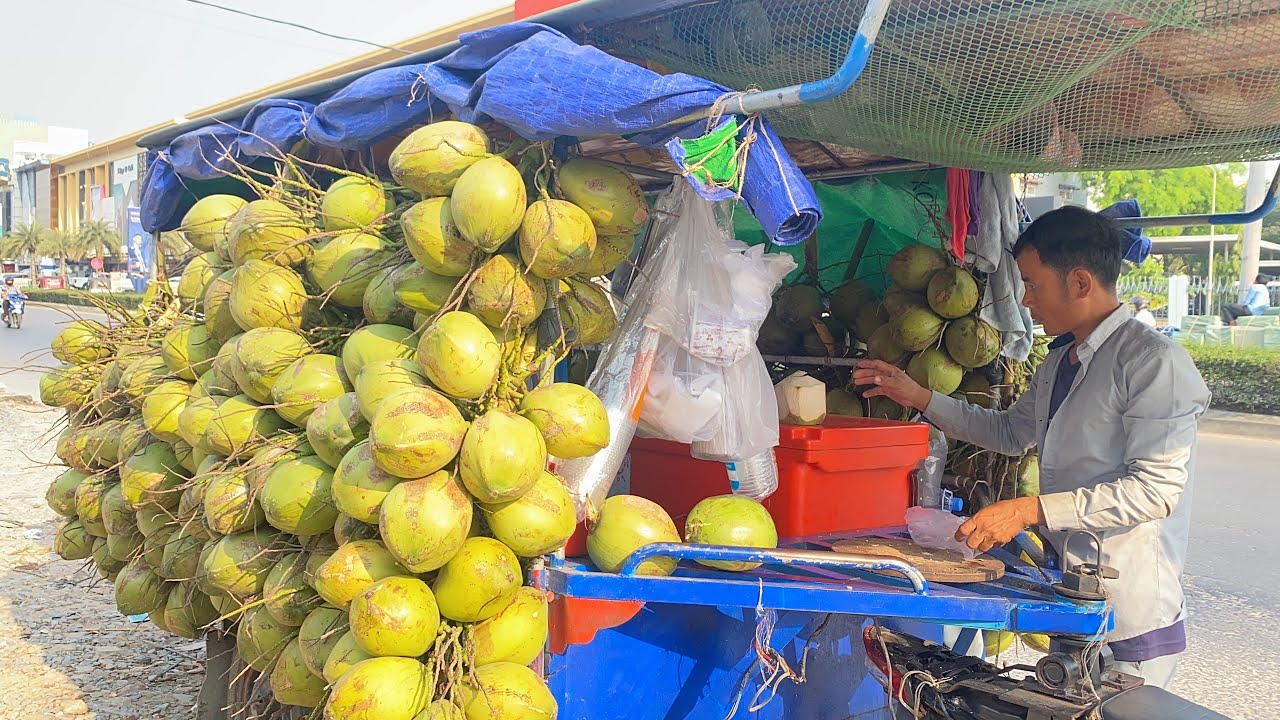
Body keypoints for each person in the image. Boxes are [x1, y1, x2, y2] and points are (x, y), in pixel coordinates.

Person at [854, 206, 1210, 689]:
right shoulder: (1062, 359)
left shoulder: (1152, 363)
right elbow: (1008, 433)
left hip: (1131, 614)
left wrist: (1030, 510)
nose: (1024, 300)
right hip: (1074, 595)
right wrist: (917, 396)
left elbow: (1154, 491)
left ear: (1080, 283)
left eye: (1032, 284)